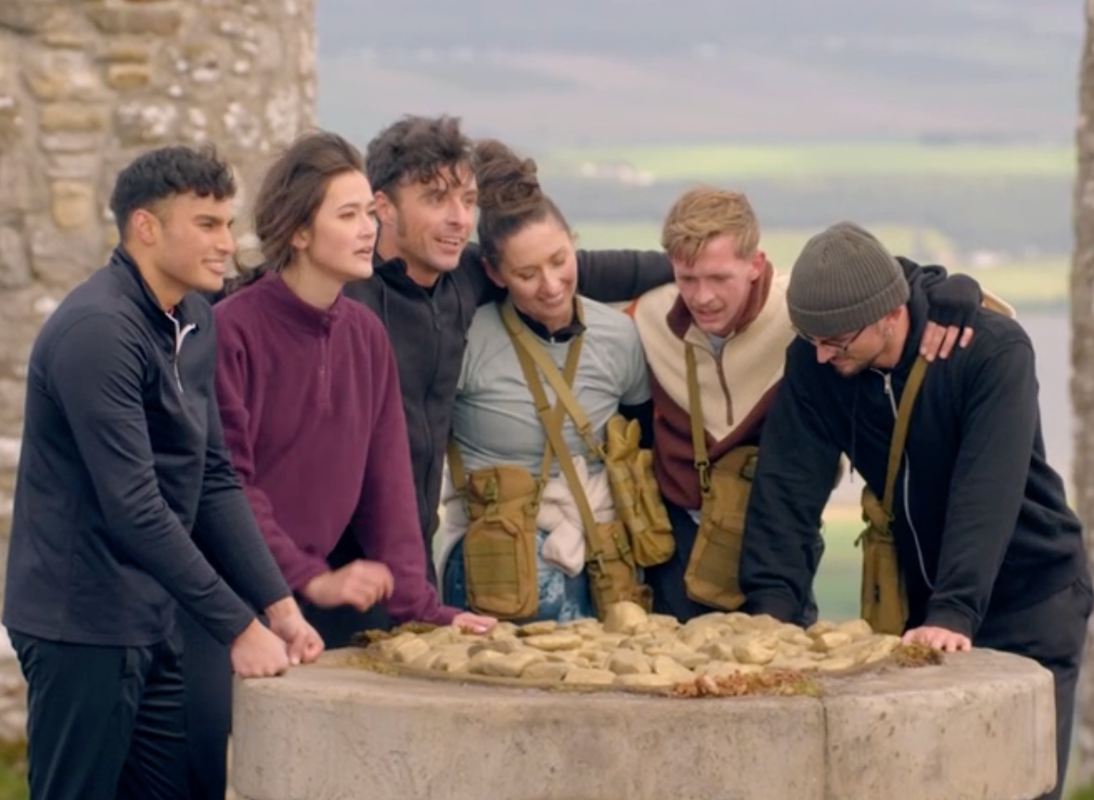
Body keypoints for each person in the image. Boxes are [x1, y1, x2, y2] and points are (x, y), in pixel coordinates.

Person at [2, 145, 324, 800]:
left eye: (228, 225)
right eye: (207, 224)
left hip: (156, 618)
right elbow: (135, 507)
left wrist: (279, 605)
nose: (227, 244)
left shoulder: (193, 318)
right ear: (146, 227)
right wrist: (238, 625)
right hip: (78, 624)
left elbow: (211, 476)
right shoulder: (98, 331)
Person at [182, 131, 495, 800]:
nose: (368, 229)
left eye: (369, 213)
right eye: (347, 214)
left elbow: (389, 493)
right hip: (218, 606)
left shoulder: (364, 336)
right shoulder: (231, 331)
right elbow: (229, 484)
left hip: (304, 604)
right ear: (298, 230)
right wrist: (305, 580)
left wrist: (425, 609)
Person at [740, 222, 1091, 800]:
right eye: (813, 339)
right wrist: (770, 611)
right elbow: (786, 488)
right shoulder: (817, 360)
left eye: (838, 340)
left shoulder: (990, 353)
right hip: (926, 606)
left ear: (888, 313)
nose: (824, 355)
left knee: (1020, 788)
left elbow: (988, 490)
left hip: (1031, 596)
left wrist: (955, 611)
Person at [343, 116, 674, 580]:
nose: (460, 218)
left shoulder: (462, 275)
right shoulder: (343, 292)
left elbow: (576, 270)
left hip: (409, 557)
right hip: (330, 561)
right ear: (384, 207)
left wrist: (691, 270)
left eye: (468, 200)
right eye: (436, 199)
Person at [632, 188, 984, 621]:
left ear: (755, 265)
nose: (702, 297)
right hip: (676, 546)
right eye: (688, 279)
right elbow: (565, 279)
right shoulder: (644, 314)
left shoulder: (802, 315)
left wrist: (948, 286)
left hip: (779, 540)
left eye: (720, 278)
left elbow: (872, 286)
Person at [439, 139, 653, 621]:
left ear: (574, 243)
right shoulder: (467, 341)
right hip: (495, 550)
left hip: (600, 545)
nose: (552, 285)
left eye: (560, 261)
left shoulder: (620, 338)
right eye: (528, 273)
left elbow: (645, 443)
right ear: (494, 273)